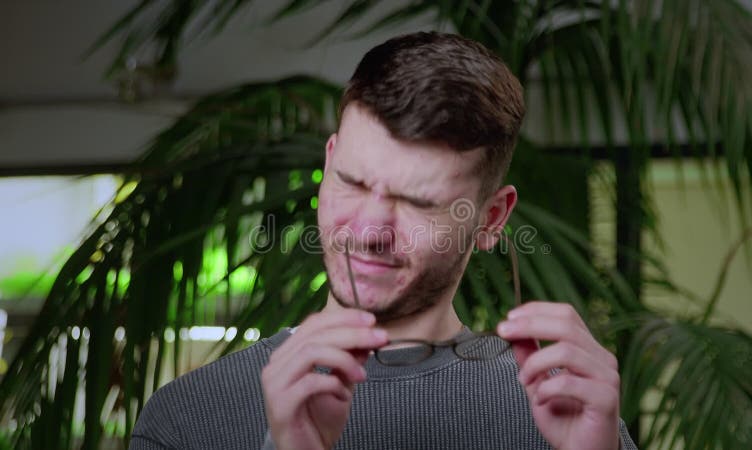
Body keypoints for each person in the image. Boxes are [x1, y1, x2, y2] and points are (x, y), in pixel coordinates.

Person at [130, 31, 637, 450]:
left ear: (492, 218)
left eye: (419, 202)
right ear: (329, 163)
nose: (370, 232)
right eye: (351, 182)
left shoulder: (570, 421)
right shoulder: (185, 422)